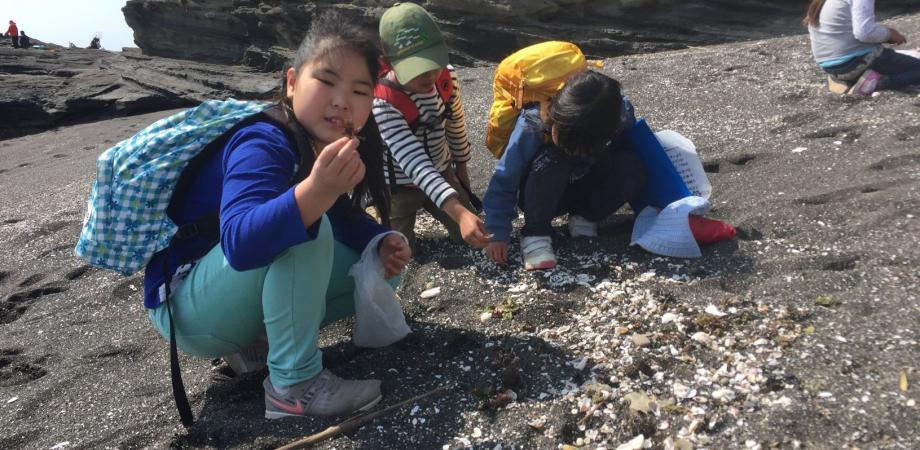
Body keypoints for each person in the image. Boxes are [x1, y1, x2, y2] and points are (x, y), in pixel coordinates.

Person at [143, 10, 411, 418]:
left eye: (360, 91)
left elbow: (339, 213)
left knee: (374, 265)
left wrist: (380, 241)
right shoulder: (262, 140)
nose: (342, 101)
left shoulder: (315, 143)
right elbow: (242, 244)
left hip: (225, 294)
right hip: (186, 308)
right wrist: (315, 192)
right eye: (326, 81)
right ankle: (294, 385)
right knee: (308, 223)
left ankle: (258, 347)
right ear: (291, 82)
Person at [483, 70, 646, 270]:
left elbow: (637, 153)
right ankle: (535, 233)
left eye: (579, 146)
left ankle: (585, 216)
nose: (571, 149)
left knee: (633, 163)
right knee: (554, 158)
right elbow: (505, 178)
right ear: (554, 116)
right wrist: (497, 233)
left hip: (586, 184)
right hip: (542, 191)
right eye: (565, 140)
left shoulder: (619, 116)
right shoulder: (533, 123)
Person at [373, 2, 489, 252]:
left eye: (432, 64)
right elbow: (413, 161)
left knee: (472, 237)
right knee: (401, 252)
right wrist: (459, 212)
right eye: (415, 69)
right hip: (398, 187)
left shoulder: (447, 78)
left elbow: (455, 124)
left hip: (442, 170)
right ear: (389, 62)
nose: (427, 76)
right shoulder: (382, 102)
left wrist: (462, 169)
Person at [805, 0, 920, 95]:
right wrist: (890, 34)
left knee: (898, 59)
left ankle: (847, 81)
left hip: (831, 68)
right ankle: (878, 83)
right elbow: (864, 32)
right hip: (856, 62)